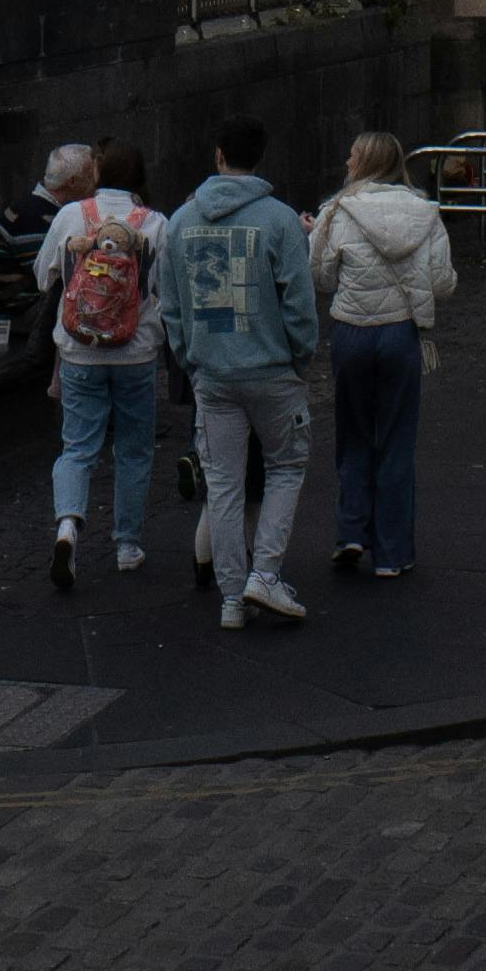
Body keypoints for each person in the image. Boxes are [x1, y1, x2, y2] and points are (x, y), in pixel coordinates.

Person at [162, 115, 318, 633]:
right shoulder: (277, 221)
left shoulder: (181, 222)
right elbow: (299, 299)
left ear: (218, 154)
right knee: (286, 467)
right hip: (272, 368)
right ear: (260, 159)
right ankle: (265, 573)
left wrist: (189, 356)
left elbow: (172, 306)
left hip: (213, 371)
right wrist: (301, 355)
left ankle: (232, 598)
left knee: (223, 484)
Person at [312, 127, 453, 567]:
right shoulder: (425, 212)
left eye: (353, 156)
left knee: (353, 431)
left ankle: (351, 530)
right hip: (399, 332)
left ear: (365, 162)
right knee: (396, 438)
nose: (347, 163)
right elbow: (443, 282)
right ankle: (391, 552)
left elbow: (321, 278)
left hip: (352, 331)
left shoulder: (336, 211)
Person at [36, 145, 166, 590]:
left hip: (79, 351)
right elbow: (164, 289)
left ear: (97, 174)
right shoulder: (154, 224)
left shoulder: (72, 215)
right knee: (133, 448)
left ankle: (68, 526)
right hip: (136, 353)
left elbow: (42, 275)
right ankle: (127, 545)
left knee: (77, 447)